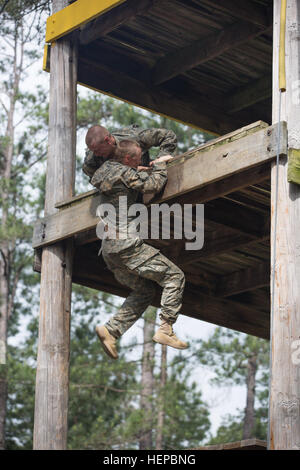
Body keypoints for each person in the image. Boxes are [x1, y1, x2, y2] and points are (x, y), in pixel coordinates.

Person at [91, 139, 188, 359]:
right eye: (136, 158)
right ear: (127, 159)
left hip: (109, 249)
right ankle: (165, 329)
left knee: (145, 291)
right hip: (126, 244)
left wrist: (137, 171)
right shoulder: (125, 174)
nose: (139, 161)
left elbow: (122, 180)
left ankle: (111, 330)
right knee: (174, 277)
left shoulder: (107, 170)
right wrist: (161, 165)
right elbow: (153, 185)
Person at [83, 123, 177, 179]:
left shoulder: (134, 136)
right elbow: (95, 178)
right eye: (92, 151)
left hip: (149, 178)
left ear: (108, 140)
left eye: (97, 150)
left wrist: (162, 157)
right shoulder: (91, 160)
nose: (96, 154)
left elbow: (168, 135)